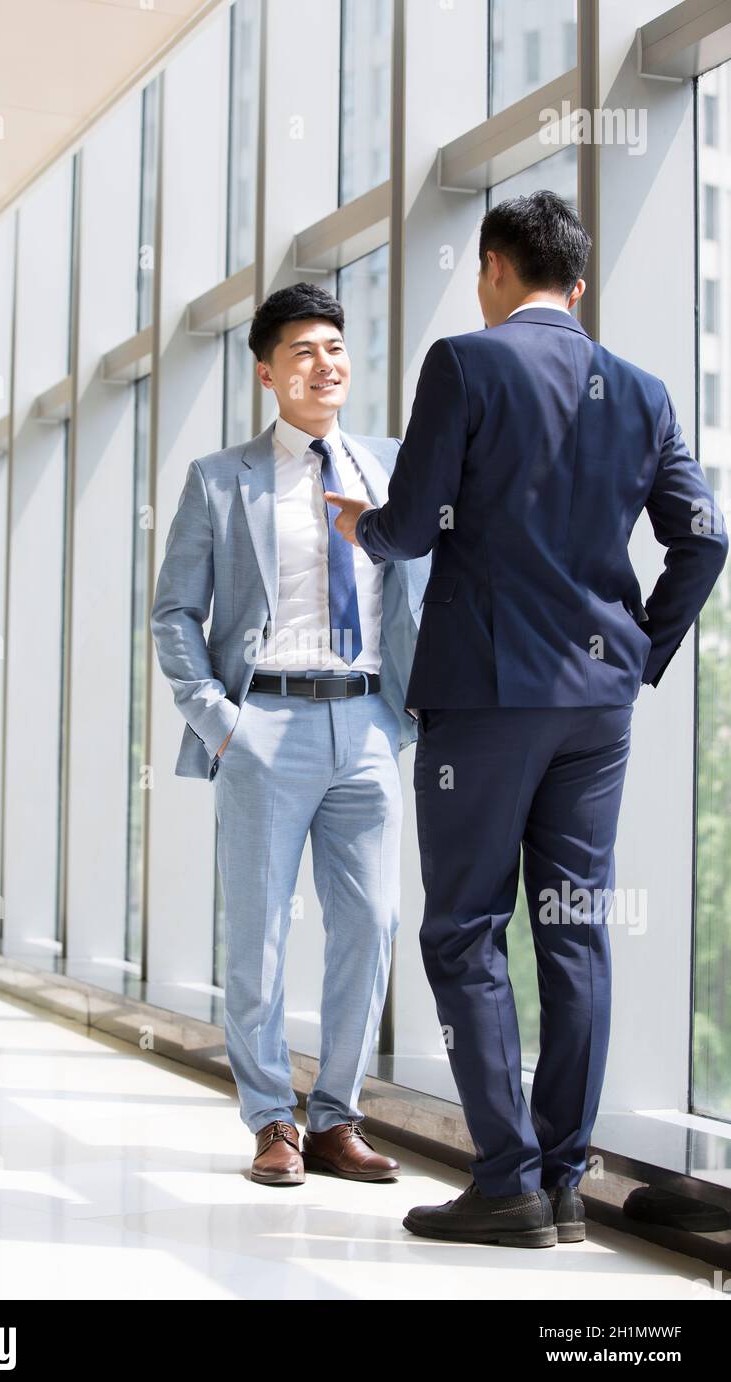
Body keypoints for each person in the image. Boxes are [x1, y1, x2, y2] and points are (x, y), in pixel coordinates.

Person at [326, 191, 729, 1248]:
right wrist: (640, 648)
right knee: (572, 930)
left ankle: (504, 1178)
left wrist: (359, 524)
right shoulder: (640, 393)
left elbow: (410, 530)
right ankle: (559, 1178)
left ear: (494, 270)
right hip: (596, 705)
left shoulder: (465, 363)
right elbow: (705, 540)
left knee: (463, 929)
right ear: (579, 284)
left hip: (485, 695)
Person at [150, 282, 429, 1185]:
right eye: (304, 350)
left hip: (370, 720)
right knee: (259, 932)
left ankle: (338, 1118)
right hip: (263, 722)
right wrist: (221, 723)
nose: (325, 363)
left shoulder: (392, 468)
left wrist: (410, 714)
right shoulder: (220, 478)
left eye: (336, 348)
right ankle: (273, 1119)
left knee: (370, 926)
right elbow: (174, 613)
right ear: (268, 372)